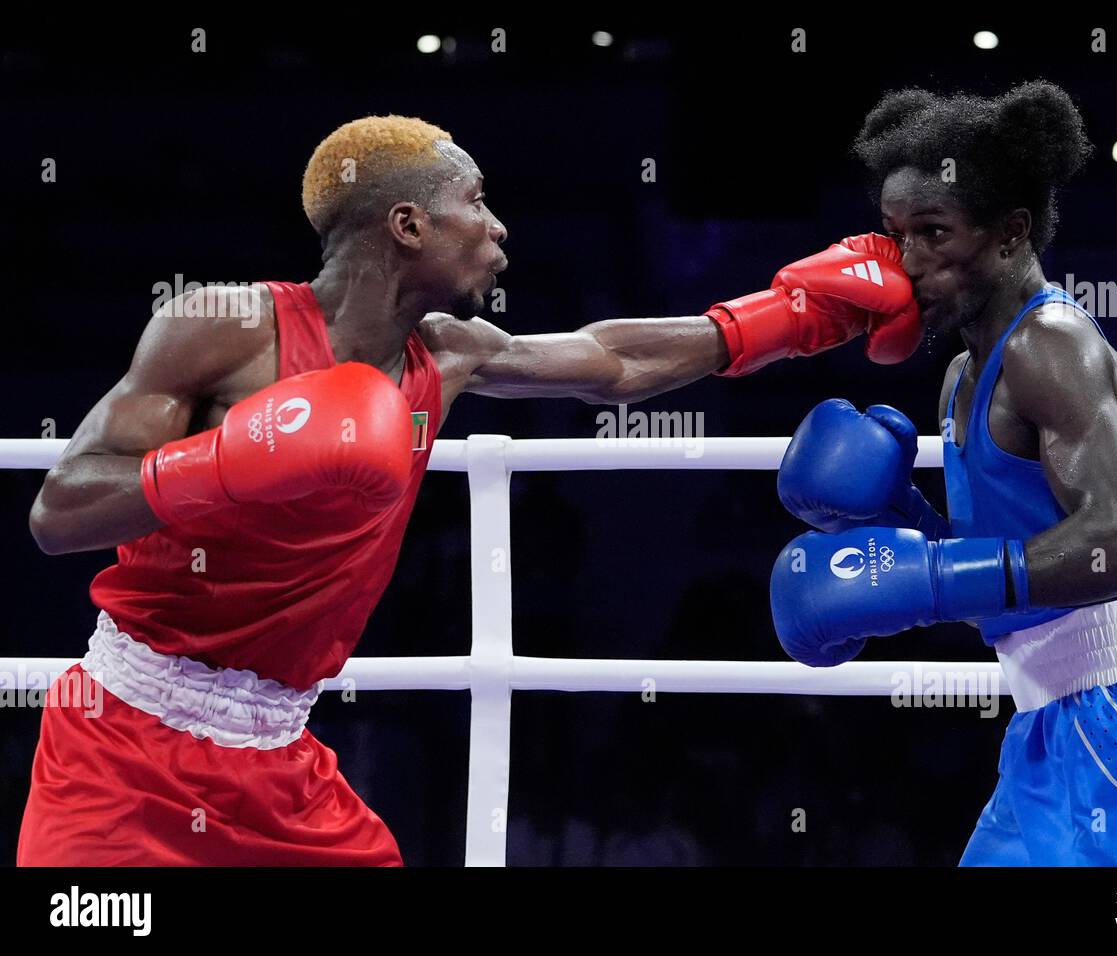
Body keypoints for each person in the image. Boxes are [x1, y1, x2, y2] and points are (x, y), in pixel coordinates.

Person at [19, 114, 921, 865]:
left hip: (280, 762)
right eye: (476, 202)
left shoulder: (450, 356)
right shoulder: (220, 329)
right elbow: (60, 510)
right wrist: (224, 463)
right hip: (123, 747)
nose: (499, 228)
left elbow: (615, 360)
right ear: (407, 225)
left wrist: (795, 317)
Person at [768, 82, 1117, 866]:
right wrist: (906, 524)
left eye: (933, 233)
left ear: (1011, 234)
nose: (908, 262)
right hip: (1043, 732)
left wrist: (926, 580)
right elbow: (1004, 560)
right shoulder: (963, 373)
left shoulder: (1051, 346)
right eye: (894, 235)